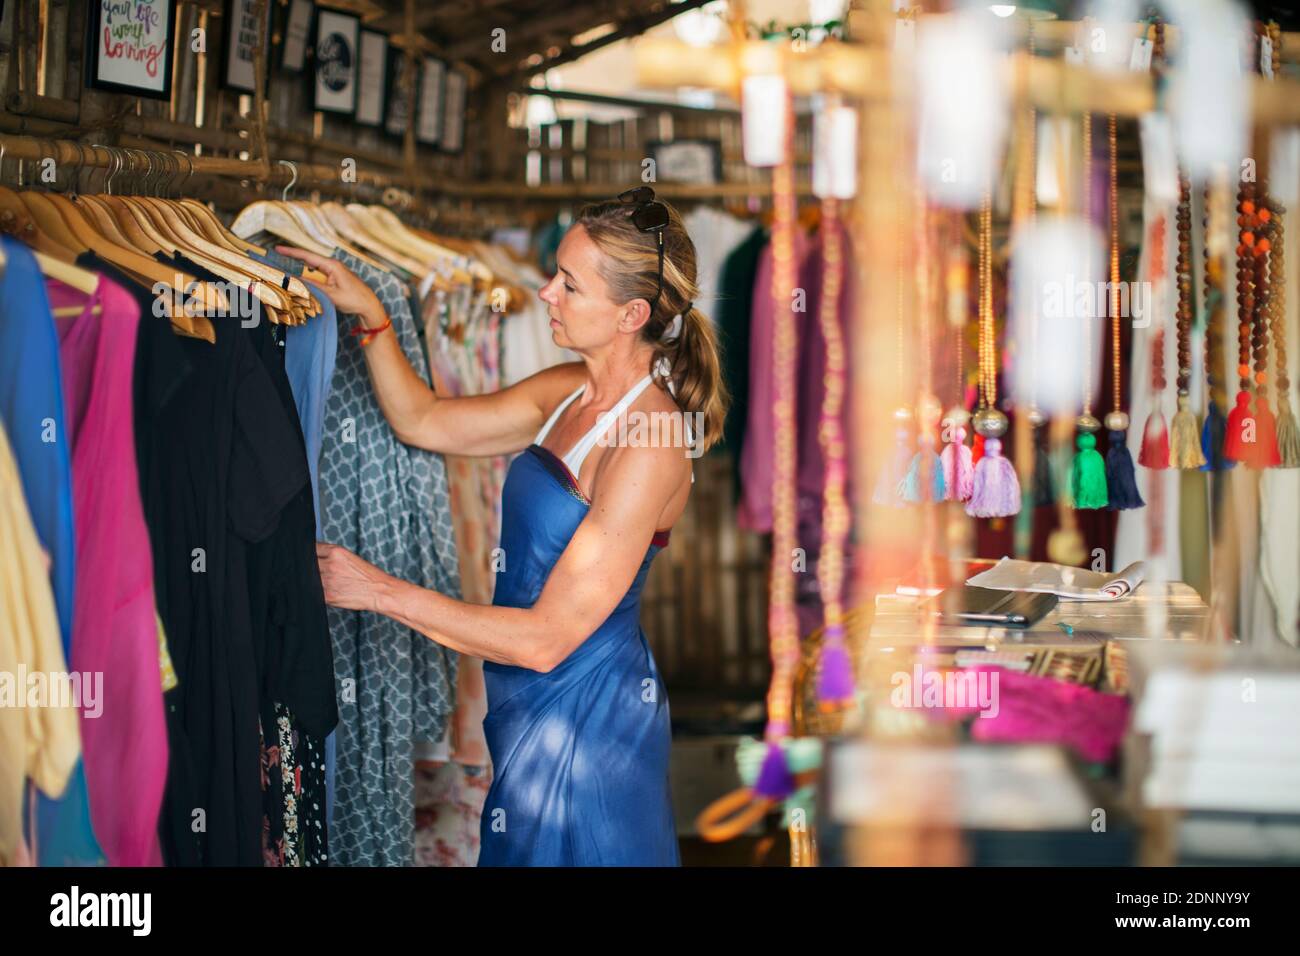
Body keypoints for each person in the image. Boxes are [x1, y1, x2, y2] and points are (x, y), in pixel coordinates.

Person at [278, 188, 728, 866]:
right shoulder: (567, 391)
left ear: (632, 313)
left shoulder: (650, 441)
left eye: (570, 285)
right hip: (524, 702)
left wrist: (377, 590)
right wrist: (372, 315)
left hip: (587, 727)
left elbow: (548, 640)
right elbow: (424, 421)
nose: (545, 292)